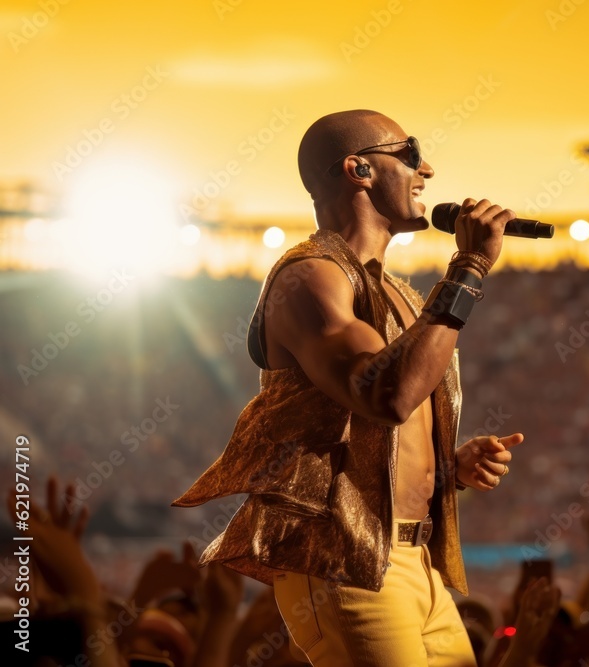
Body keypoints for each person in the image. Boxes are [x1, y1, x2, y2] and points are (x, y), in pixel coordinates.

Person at [173, 109, 529, 667]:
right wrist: (469, 269)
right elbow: (385, 396)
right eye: (410, 153)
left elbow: (384, 426)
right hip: (345, 561)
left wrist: (447, 470)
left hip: (419, 564)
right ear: (359, 169)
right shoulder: (309, 278)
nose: (427, 169)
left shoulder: (401, 295)